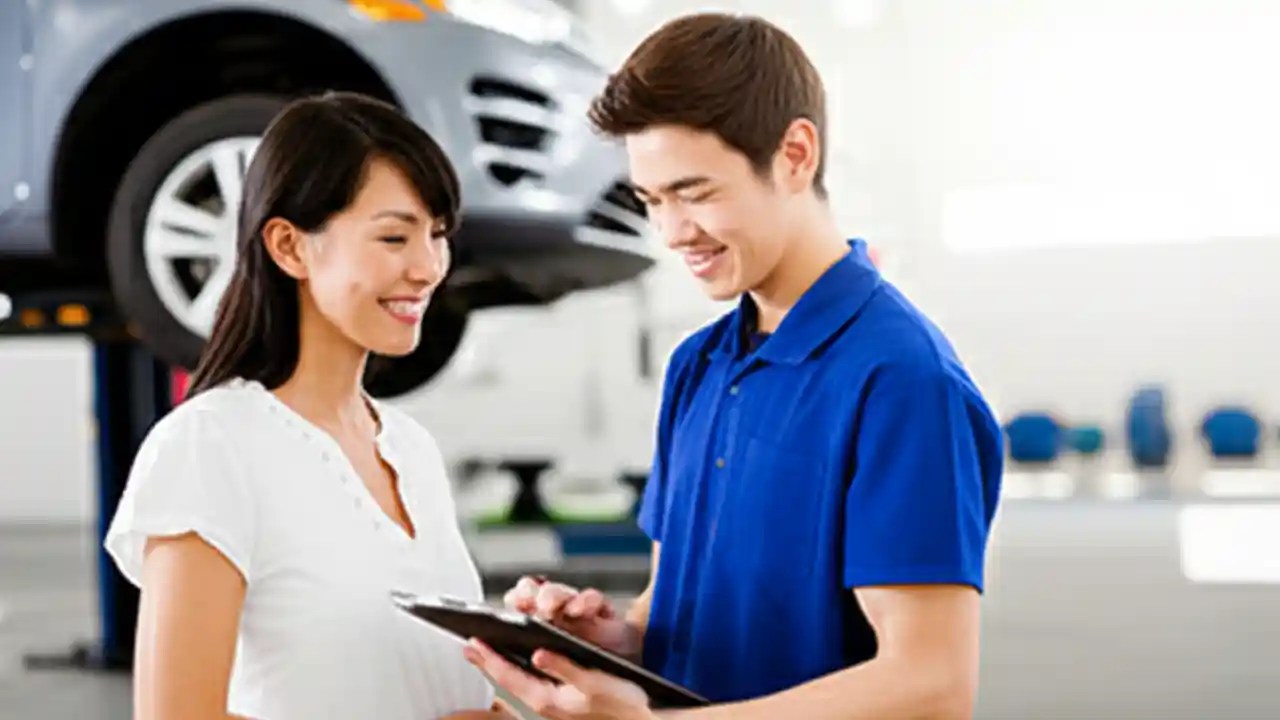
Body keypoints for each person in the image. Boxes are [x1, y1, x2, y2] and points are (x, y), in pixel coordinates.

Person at [463, 12, 1004, 720]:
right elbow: (675, 607)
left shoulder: (901, 380)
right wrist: (613, 639)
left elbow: (928, 687)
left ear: (795, 155)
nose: (672, 232)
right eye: (652, 201)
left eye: (695, 192)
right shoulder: (700, 365)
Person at [104, 92, 509, 720]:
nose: (428, 267)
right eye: (395, 236)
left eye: (437, 235)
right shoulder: (211, 446)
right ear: (290, 247)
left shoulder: (410, 448)